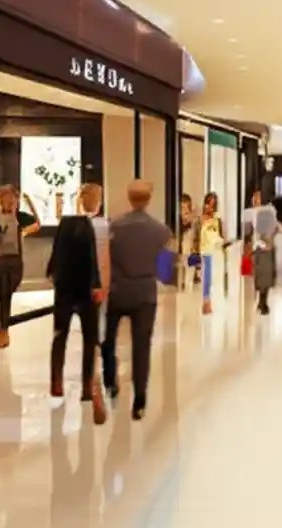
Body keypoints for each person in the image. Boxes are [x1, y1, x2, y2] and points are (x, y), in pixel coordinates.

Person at [102, 180, 173, 421]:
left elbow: (105, 261)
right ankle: (139, 398)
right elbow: (166, 272)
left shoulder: (114, 227)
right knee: (142, 346)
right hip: (145, 293)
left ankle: (110, 382)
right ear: (149, 199)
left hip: (117, 291)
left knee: (108, 340)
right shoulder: (160, 230)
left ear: (129, 198)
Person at [46, 200, 107, 424]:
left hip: (64, 289)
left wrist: (54, 274)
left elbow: (55, 254)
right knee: (90, 340)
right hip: (85, 290)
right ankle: (87, 386)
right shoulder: (87, 226)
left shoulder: (63, 226)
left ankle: (56, 384)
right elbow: (92, 259)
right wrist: (97, 284)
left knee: (59, 336)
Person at [0, 185, 41, 349]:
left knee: (5, 295)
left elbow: (37, 224)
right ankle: (3, 330)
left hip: (13, 261)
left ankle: (3, 329)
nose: (9, 204)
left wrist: (30, 203)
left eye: (12, 200)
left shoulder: (19, 219)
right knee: (4, 295)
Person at [243, 190, 279, 315]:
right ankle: (260, 300)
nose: (255, 200)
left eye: (258, 197)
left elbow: (274, 229)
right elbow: (247, 232)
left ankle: (263, 301)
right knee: (259, 276)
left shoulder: (269, 211)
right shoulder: (250, 213)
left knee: (266, 276)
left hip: (266, 248)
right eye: (254, 197)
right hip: (257, 248)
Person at [198, 193, 224, 314]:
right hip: (203, 251)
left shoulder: (217, 219)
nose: (210, 207)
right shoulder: (200, 219)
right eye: (208, 203)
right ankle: (206, 302)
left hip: (214, 251)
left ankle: (208, 302)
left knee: (211, 277)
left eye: (213, 204)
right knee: (205, 277)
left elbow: (221, 235)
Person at [177, 194, 197, 292]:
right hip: (180, 252)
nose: (185, 211)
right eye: (182, 208)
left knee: (190, 271)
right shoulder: (177, 224)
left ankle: (188, 289)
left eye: (187, 207)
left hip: (190, 251)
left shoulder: (193, 223)